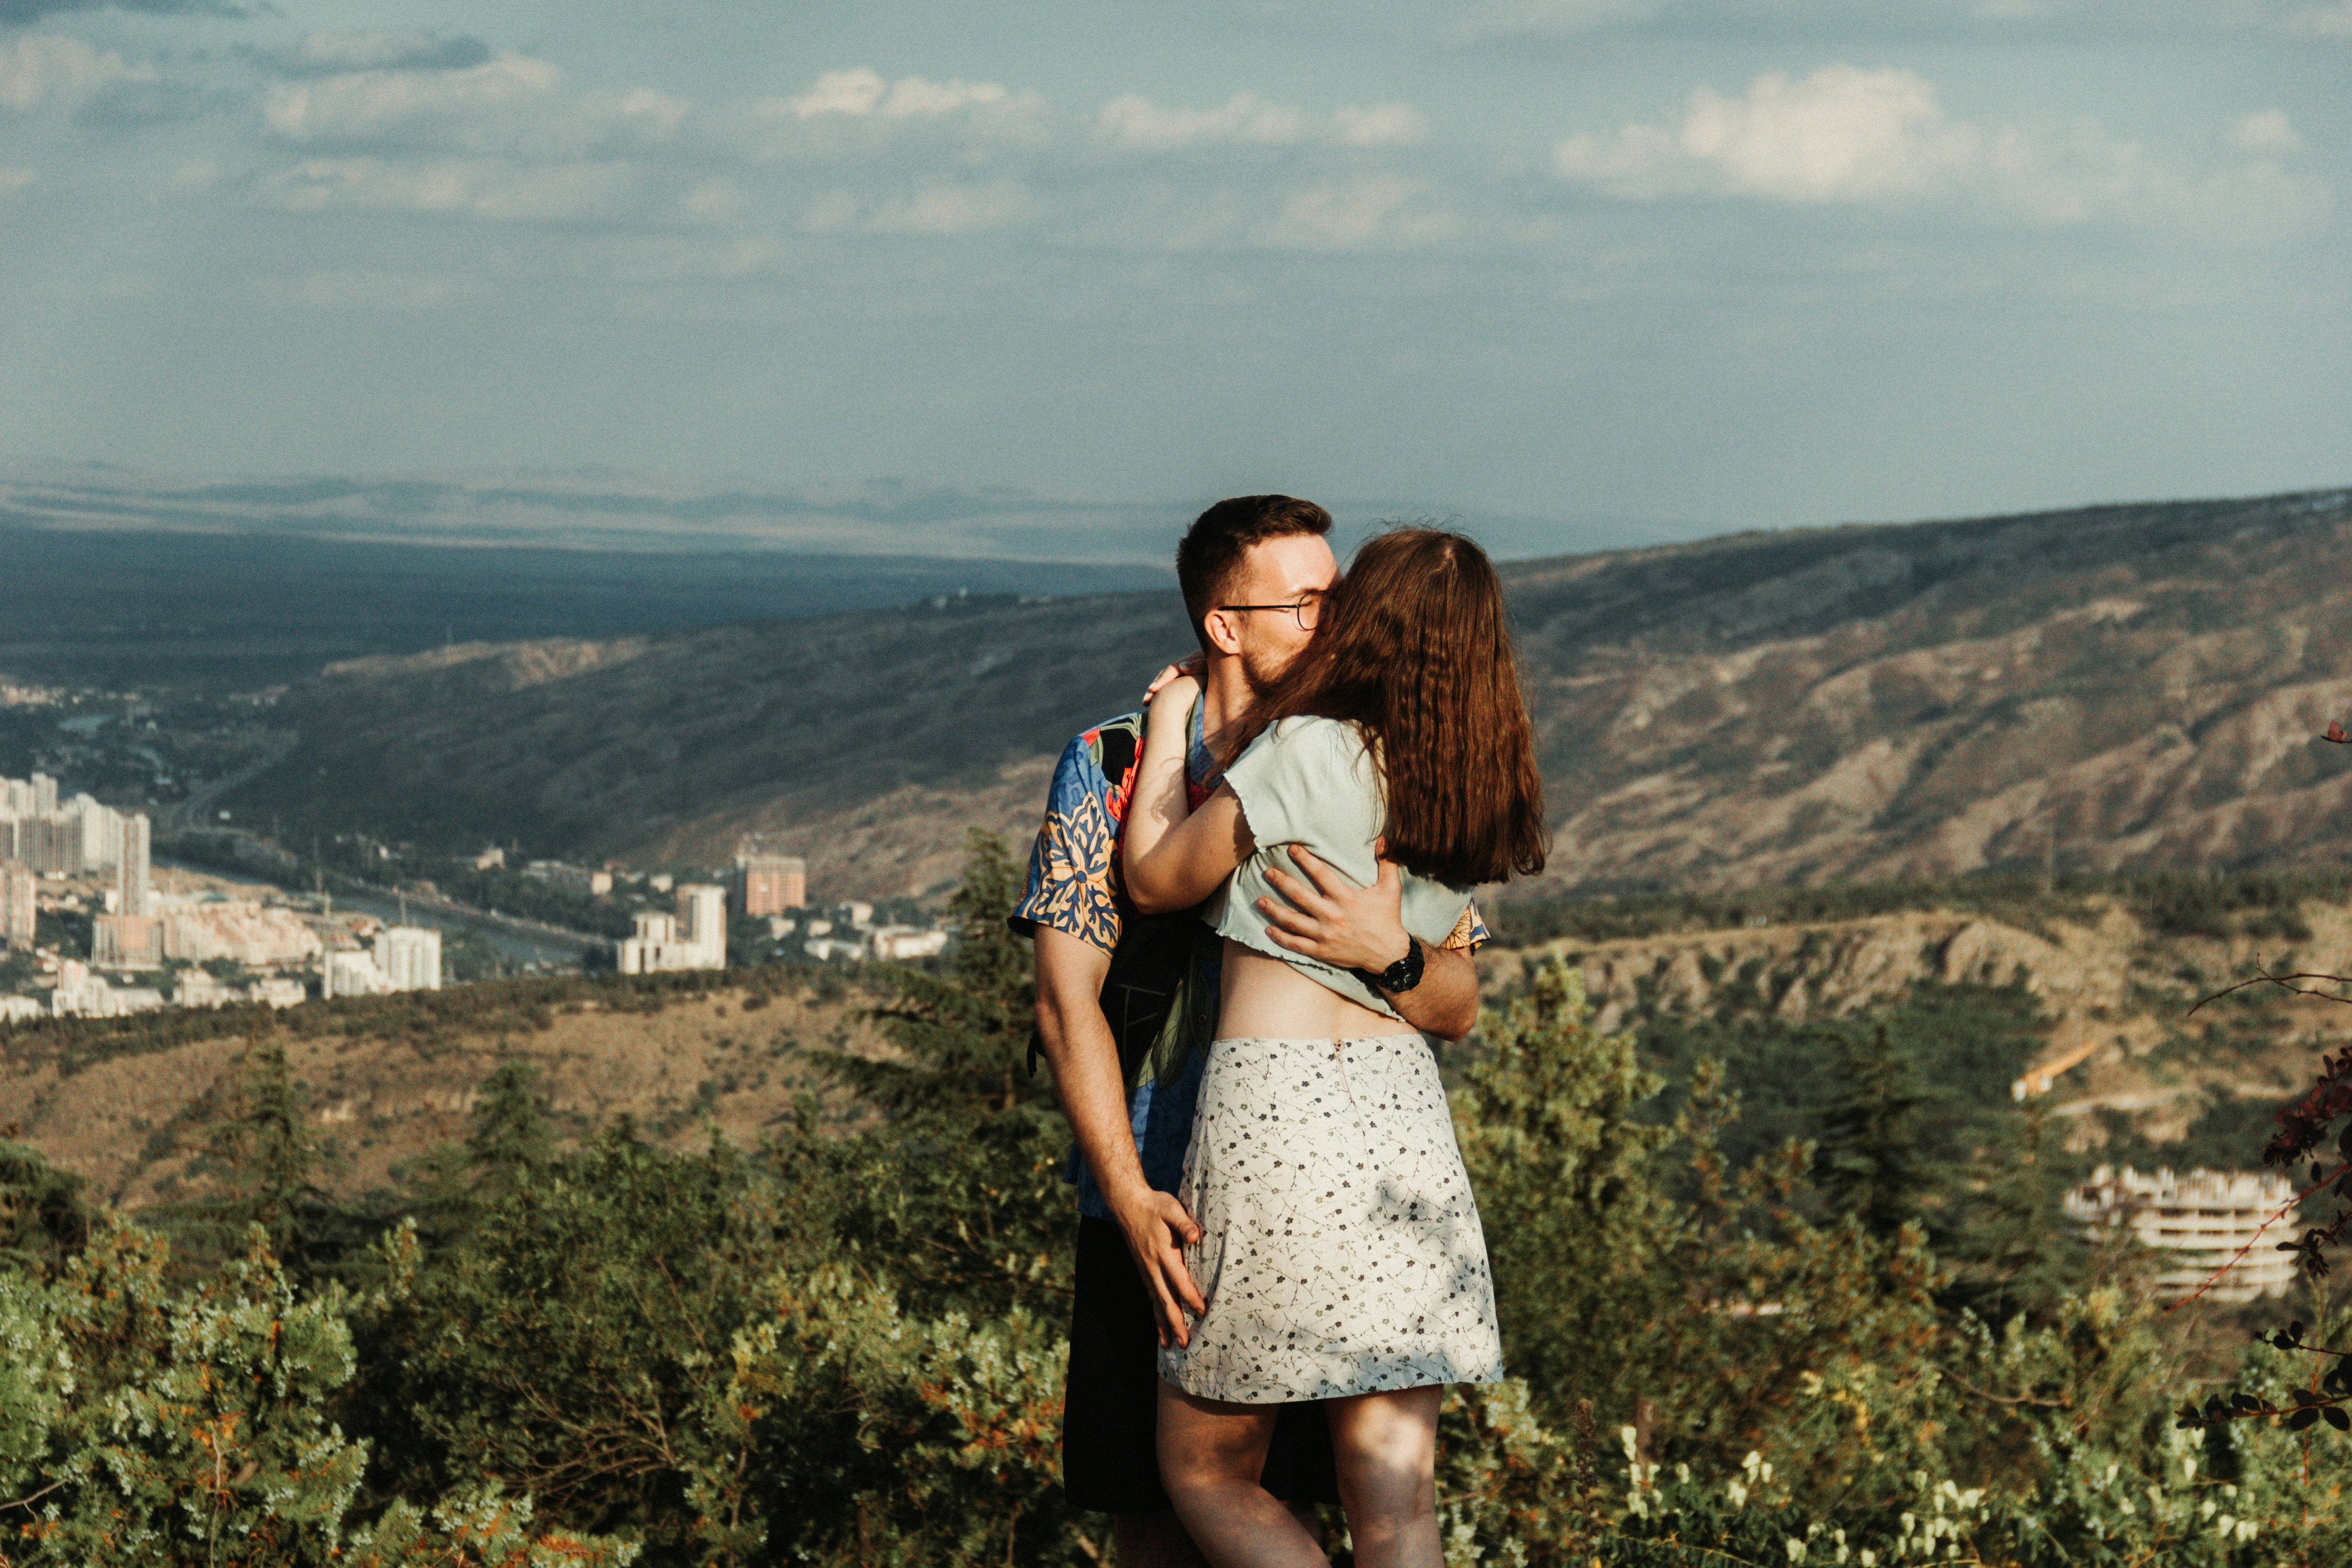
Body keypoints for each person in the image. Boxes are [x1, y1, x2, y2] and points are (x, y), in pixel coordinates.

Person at [1011, 496, 1490, 1568]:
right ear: (1227, 624)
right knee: (1158, 1517)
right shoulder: (1113, 762)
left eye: (1338, 595)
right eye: (1310, 601)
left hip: (1305, 1196)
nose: (1337, 619)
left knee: (1281, 1501)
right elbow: (1063, 1000)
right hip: (1156, 1201)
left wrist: (1392, 952)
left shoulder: (1363, 757)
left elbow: (1458, 1001)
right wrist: (1128, 1193)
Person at [1120, 526, 1548, 1568]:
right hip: (1405, 1124)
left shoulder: (1309, 746)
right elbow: (1456, 1005)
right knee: (1397, 1508)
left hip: (1277, 1121)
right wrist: (1395, 955)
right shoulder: (1452, 783)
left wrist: (1174, 713)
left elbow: (1155, 879)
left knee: (1205, 1471)